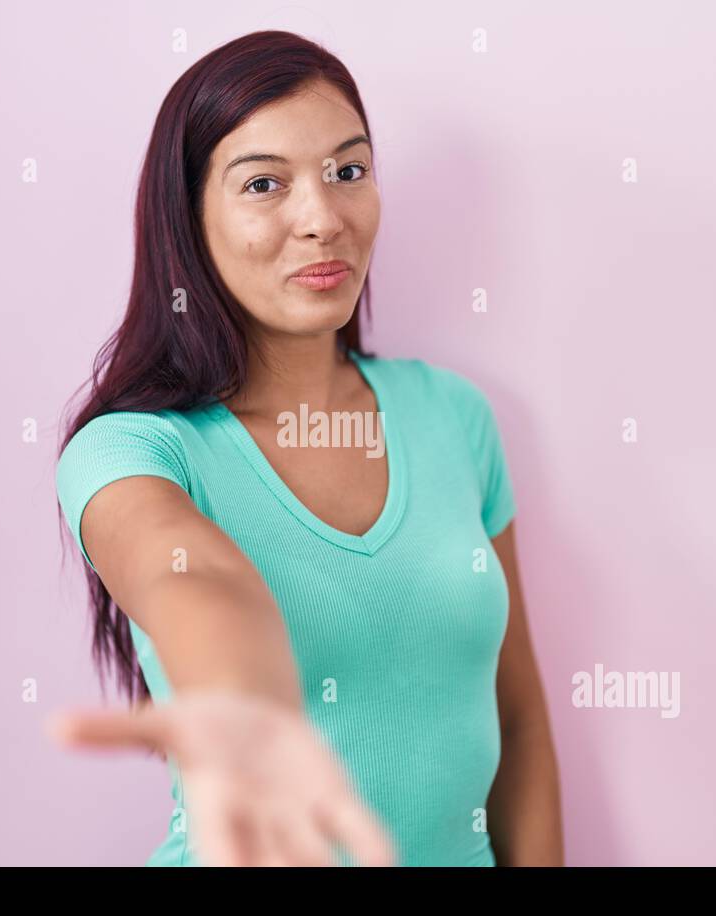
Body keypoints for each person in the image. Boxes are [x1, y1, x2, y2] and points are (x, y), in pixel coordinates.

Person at [49, 30, 563, 867]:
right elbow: (193, 579)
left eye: (348, 171)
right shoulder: (131, 453)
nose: (322, 218)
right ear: (190, 218)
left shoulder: (454, 417)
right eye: (263, 184)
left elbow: (518, 716)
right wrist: (241, 693)